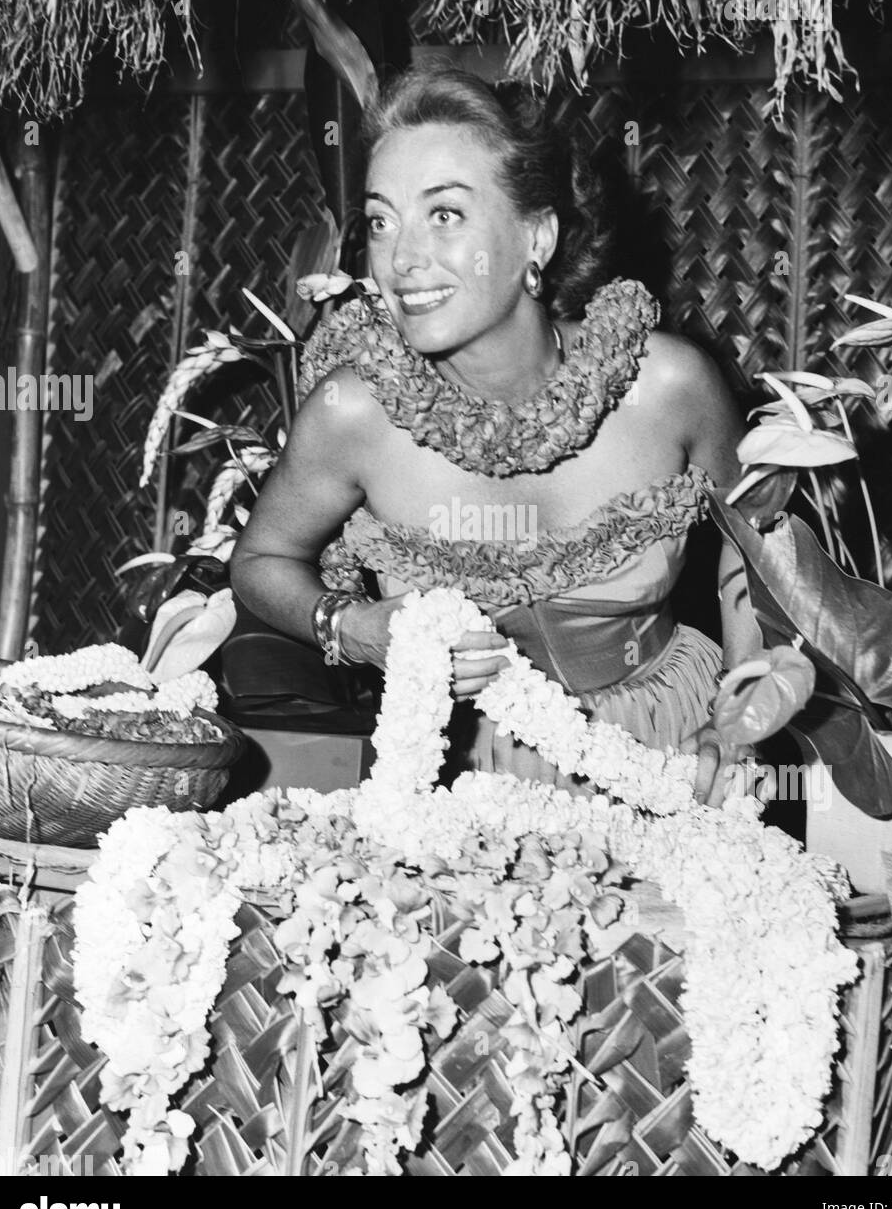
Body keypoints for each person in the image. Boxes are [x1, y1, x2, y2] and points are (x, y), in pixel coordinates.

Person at [231, 66, 763, 807]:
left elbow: (761, 552)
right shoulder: (352, 413)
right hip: (456, 779)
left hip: (676, 755)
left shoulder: (668, 388)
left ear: (535, 236)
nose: (401, 260)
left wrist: (741, 721)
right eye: (382, 221)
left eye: (444, 214)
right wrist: (352, 628)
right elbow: (260, 559)